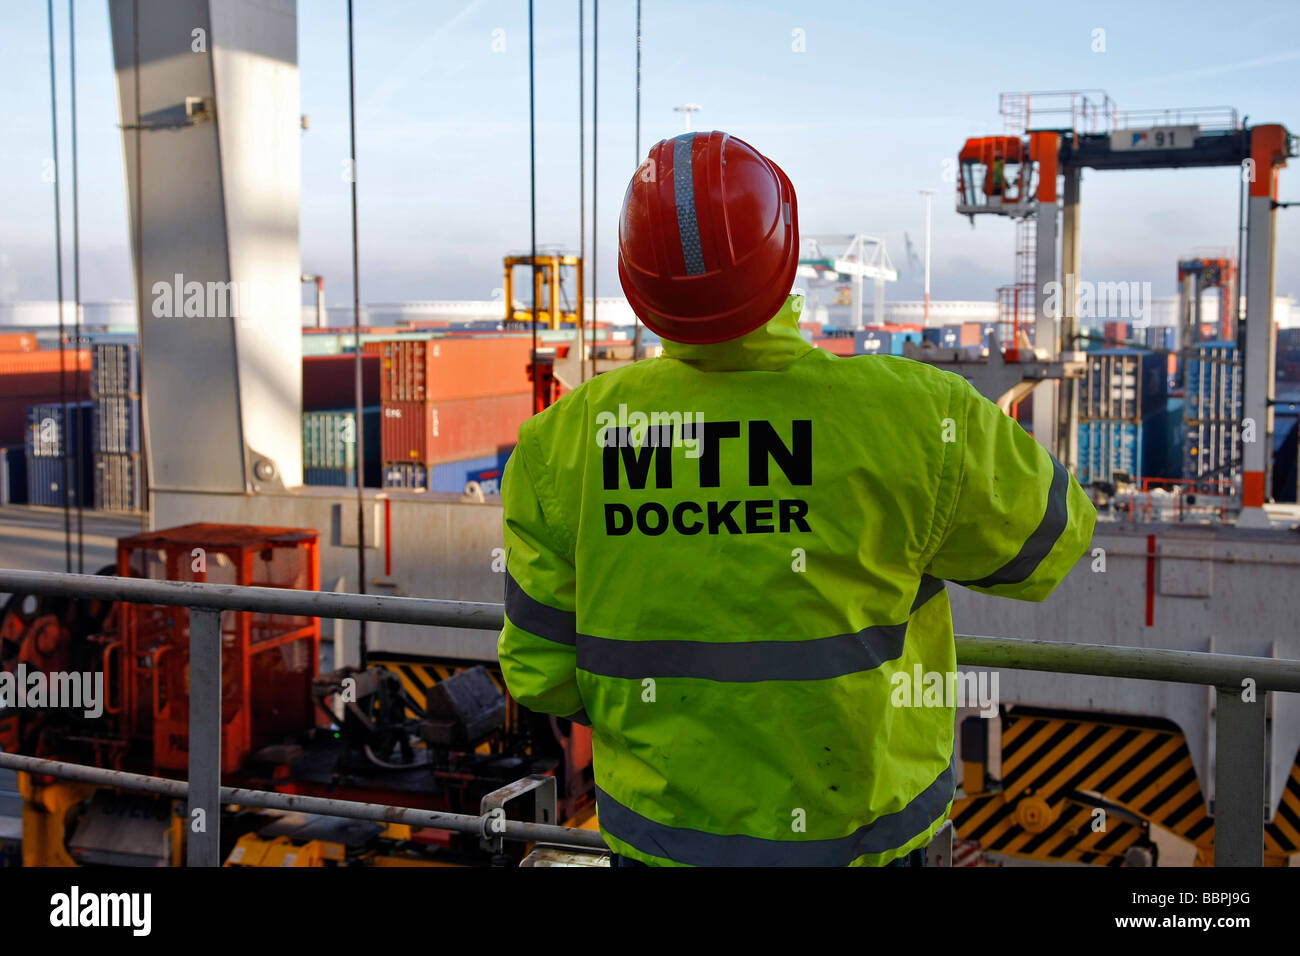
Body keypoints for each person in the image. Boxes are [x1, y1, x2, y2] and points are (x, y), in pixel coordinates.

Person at [497, 130, 1096, 867]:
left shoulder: (558, 444)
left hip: (659, 847)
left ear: (636, 283)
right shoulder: (918, 414)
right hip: (869, 849)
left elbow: (540, 674)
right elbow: (1051, 546)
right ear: (786, 259)